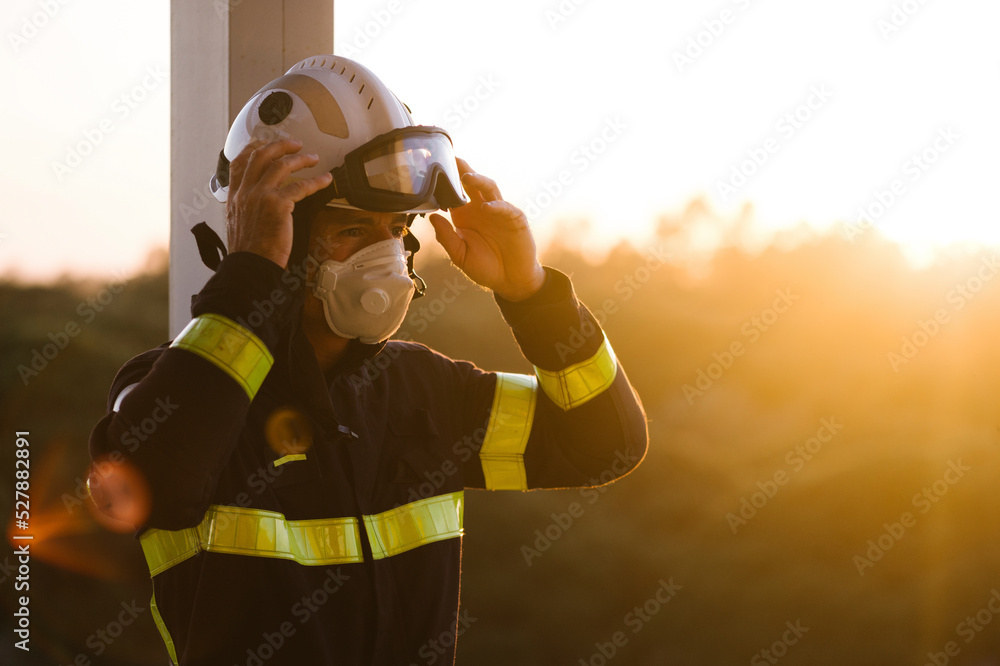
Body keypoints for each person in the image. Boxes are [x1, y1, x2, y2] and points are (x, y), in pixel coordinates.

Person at [88, 55, 647, 666]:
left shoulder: (423, 391)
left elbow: (606, 443)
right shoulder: (174, 389)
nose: (386, 255)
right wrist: (249, 277)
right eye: (352, 228)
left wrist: (533, 293)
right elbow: (153, 483)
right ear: (278, 233)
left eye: (397, 227)